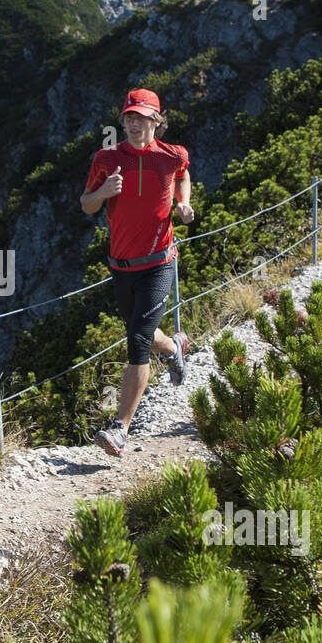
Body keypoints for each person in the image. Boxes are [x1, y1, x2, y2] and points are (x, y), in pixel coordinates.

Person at [80, 88, 194, 457]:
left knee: (138, 341)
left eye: (142, 117)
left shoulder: (172, 155)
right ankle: (175, 346)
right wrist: (103, 192)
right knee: (141, 331)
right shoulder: (107, 157)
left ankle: (119, 429)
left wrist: (184, 203)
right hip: (121, 265)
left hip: (159, 261)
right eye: (129, 116)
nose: (133, 123)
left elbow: (183, 176)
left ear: (156, 122)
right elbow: (85, 205)